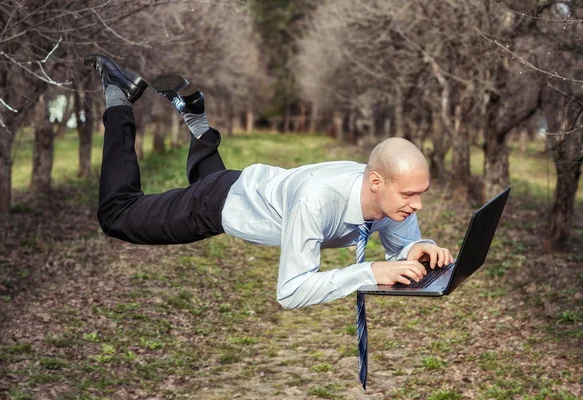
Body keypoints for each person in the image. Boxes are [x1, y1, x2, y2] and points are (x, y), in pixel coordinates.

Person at [84, 54, 454, 309]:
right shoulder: (317, 200)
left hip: (243, 185)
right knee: (117, 214)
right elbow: (291, 291)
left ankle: (195, 117)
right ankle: (117, 96)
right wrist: (368, 271)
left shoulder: (391, 196)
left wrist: (418, 249)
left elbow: (400, 249)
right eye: (410, 194)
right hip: (217, 204)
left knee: (208, 178)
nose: (417, 205)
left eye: (421, 194)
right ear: (376, 180)